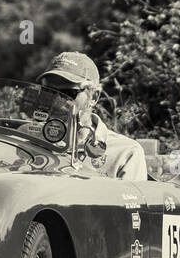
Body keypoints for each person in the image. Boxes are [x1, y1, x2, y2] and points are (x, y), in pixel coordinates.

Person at [37, 52, 147, 182]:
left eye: (67, 93)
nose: (55, 100)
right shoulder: (29, 141)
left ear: (93, 97)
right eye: (48, 91)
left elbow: (131, 199)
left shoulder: (125, 152)